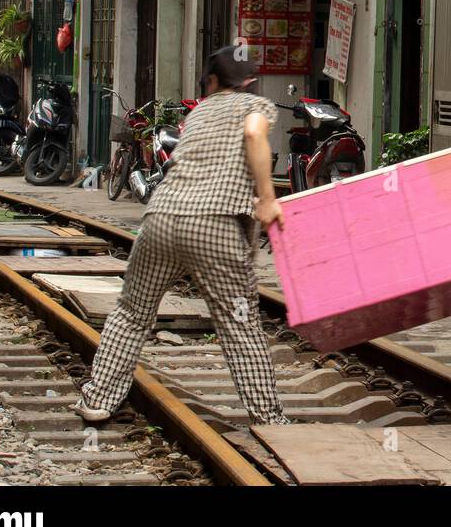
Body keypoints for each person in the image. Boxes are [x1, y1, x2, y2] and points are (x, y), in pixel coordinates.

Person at [73, 47, 289, 426]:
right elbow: (255, 134)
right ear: (250, 83)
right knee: (240, 324)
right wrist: (268, 199)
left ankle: (99, 399)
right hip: (215, 226)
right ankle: (269, 420)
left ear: (212, 81)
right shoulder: (256, 107)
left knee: (132, 312)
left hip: (161, 218)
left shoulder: (200, 110)